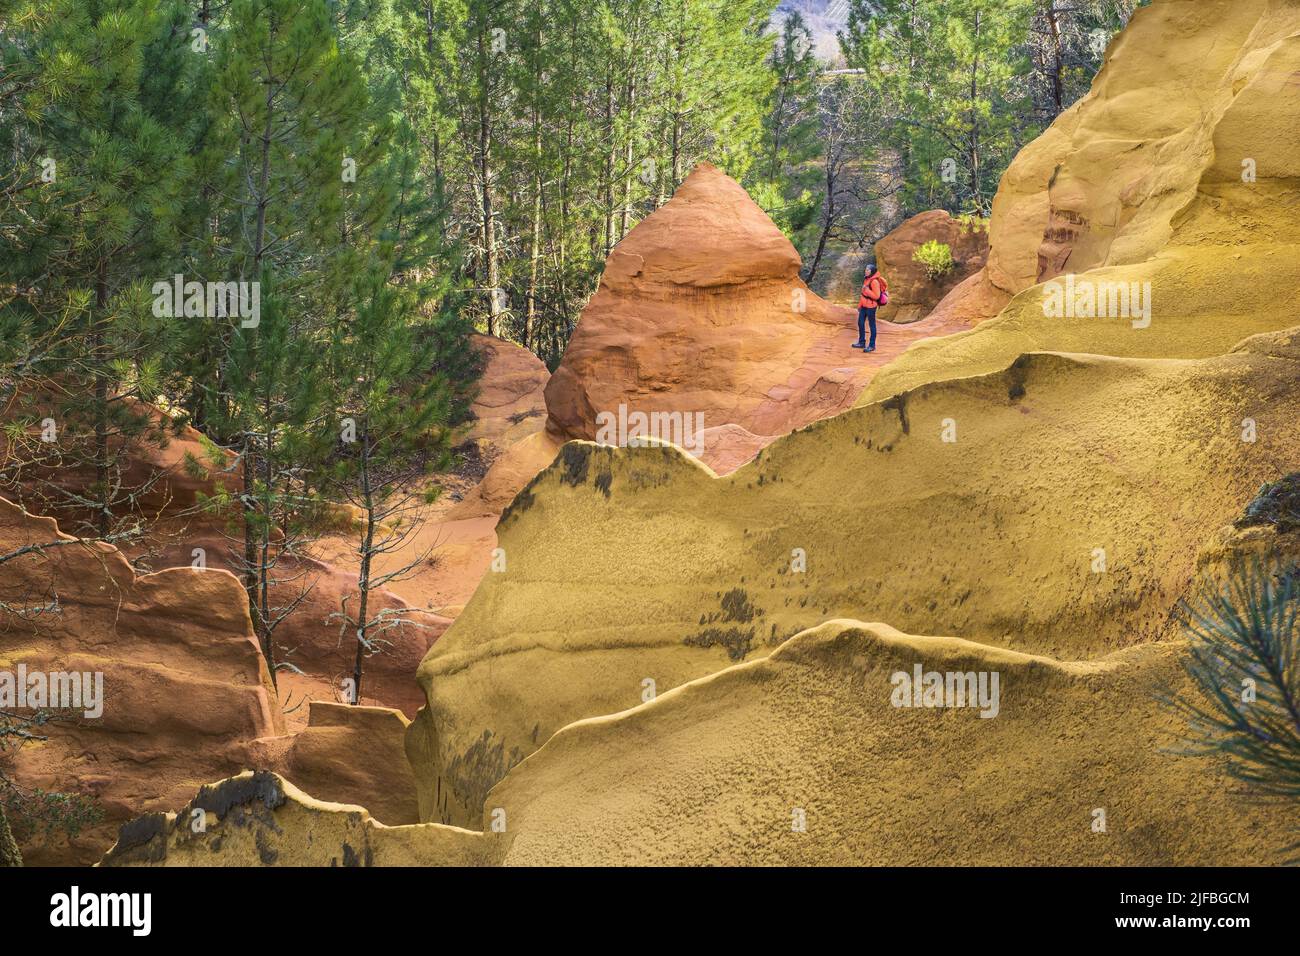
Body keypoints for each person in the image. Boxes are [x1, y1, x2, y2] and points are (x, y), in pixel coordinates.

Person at [855, 262, 888, 353]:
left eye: (868, 270)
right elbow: (863, 294)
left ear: (872, 271)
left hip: (871, 306)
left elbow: (876, 296)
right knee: (860, 323)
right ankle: (862, 342)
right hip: (864, 306)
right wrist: (860, 305)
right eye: (865, 269)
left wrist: (867, 290)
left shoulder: (874, 282)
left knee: (872, 325)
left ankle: (872, 345)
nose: (866, 271)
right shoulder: (866, 279)